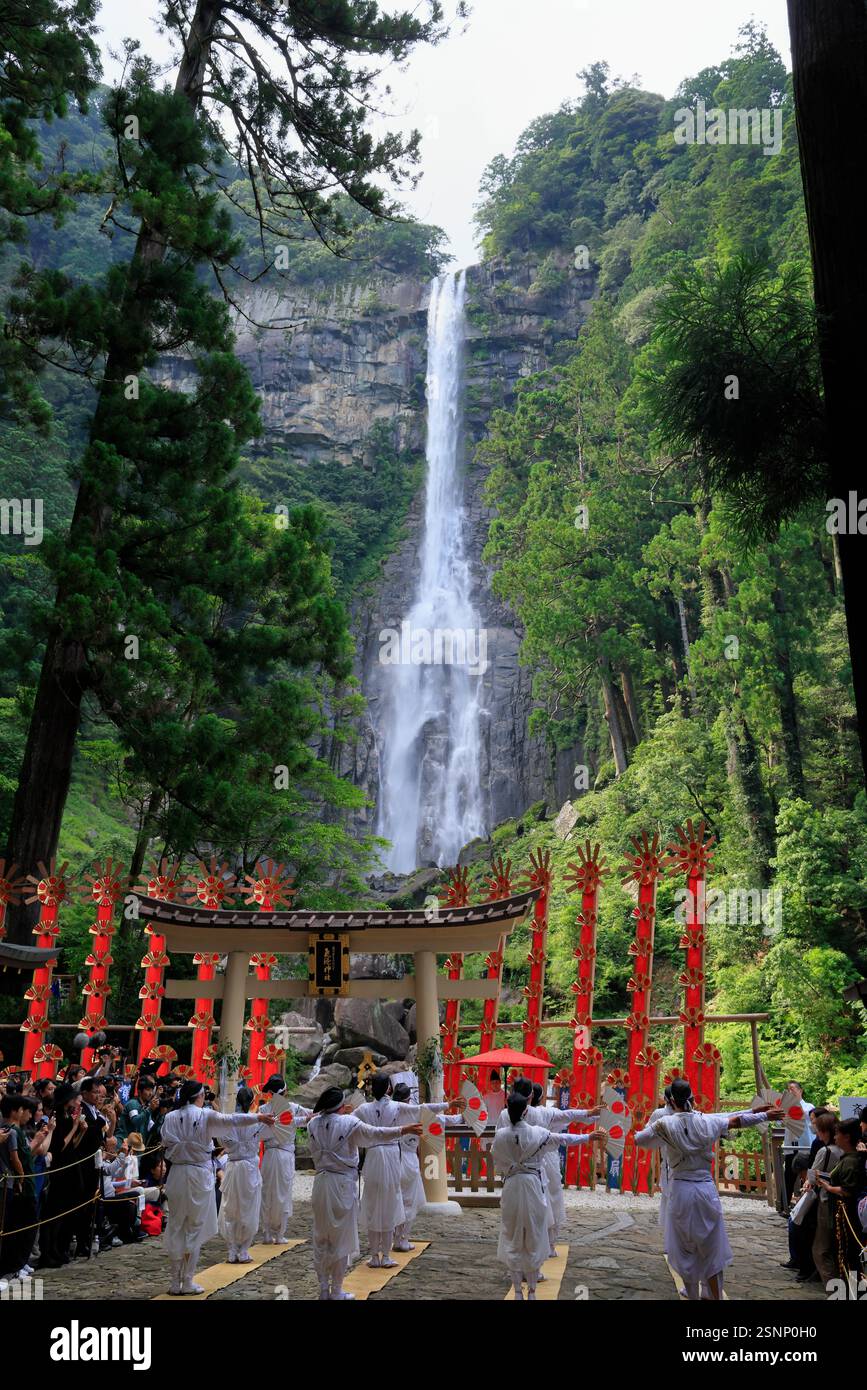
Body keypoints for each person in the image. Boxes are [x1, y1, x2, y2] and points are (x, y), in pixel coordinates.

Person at [634, 1077, 783, 1301]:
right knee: (711, 1245)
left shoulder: (665, 1123)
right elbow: (733, 1121)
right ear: (692, 1098)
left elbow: (639, 1139)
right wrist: (761, 1114)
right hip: (705, 1190)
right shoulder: (705, 1121)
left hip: (681, 1189)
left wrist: (657, 1128)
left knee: (685, 1245)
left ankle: (692, 1293)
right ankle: (714, 1296)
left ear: (670, 1101)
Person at [160, 1080, 276, 1295]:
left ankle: (176, 1282)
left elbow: (167, 1142)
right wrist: (258, 1117)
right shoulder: (204, 1115)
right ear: (199, 1096)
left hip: (177, 1174)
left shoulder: (170, 1117)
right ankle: (187, 1280)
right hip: (197, 1174)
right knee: (193, 1227)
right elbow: (231, 1120)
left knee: (176, 1225)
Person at [306, 1085, 422, 1301]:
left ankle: (323, 1289)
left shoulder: (313, 1123)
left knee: (321, 1236)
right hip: (342, 1185)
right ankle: (337, 1290)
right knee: (341, 1236)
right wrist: (402, 1130)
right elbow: (375, 1133)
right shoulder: (349, 1122)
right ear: (341, 1106)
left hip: (321, 1183)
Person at [490, 1090, 606, 1300]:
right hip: (533, 1186)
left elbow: (497, 1160)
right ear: (526, 1110)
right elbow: (563, 1139)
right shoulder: (538, 1133)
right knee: (534, 1234)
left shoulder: (500, 1136)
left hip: (512, 1186)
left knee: (512, 1234)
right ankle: (532, 1292)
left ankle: (517, 1291)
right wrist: (588, 1137)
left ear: (508, 1111)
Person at [354, 1072, 460, 1268]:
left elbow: (348, 1124)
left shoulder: (363, 1109)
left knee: (372, 1205)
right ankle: (385, 1256)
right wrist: (448, 1105)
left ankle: (374, 1256)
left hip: (374, 1156)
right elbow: (422, 1109)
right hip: (392, 1156)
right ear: (388, 1088)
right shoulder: (396, 1107)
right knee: (389, 1203)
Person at [388, 1081, 465, 1253]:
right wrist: (459, 1114)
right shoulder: (417, 1113)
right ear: (408, 1100)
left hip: (389, 1159)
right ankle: (402, 1238)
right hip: (407, 1160)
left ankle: (392, 1238)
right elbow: (440, 1117)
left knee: (394, 1200)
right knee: (408, 1201)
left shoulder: (388, 1112)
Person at [258, 1074, 312, 1245]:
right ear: (285, 1091)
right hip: (284, 1155)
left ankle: (267, 1232)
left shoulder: (263, 1110)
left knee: (267, 1192)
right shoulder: (293, 1108)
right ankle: (279, 1233)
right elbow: (310, 1116)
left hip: (269, 1155)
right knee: (282, 1192)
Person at [217, 1086, 266, 1264]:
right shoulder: (256, 1121)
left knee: (230, 1208)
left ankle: (232, 1249)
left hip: (233, 1165)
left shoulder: (228, 1121)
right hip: (249, 1167)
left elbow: (222, 1141)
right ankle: (243, 1249)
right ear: (252, 1101)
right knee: (248, 1208)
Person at [815, 1117, 867, 1278]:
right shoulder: (848, 1157)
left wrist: (828, 1187)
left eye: (838, 1134)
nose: (835, 1137)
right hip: (842, 1212)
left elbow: (848, 1189)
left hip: (848, 1213)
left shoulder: (851, 1161)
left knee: (850, 1252)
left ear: (847, 1137)